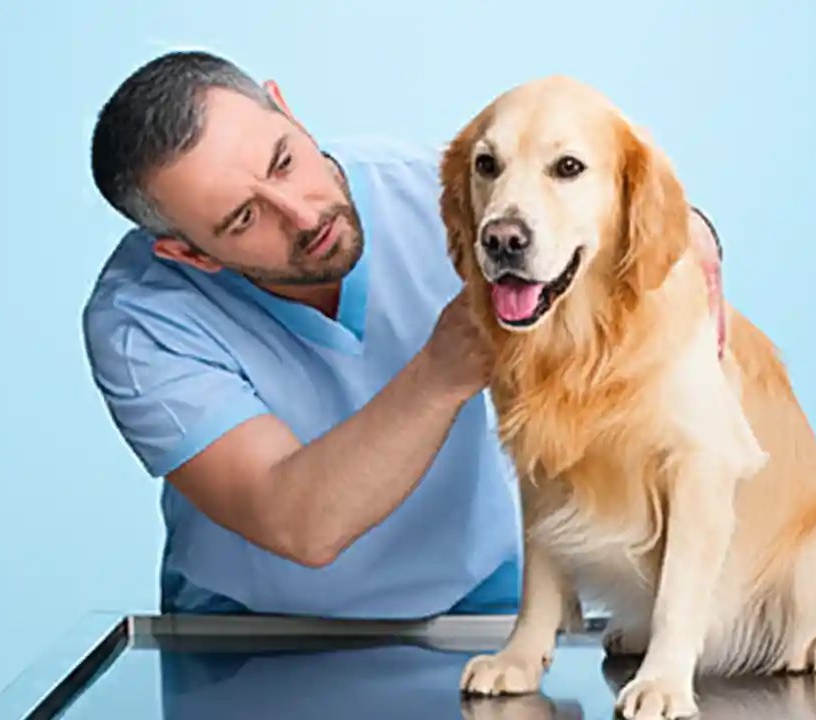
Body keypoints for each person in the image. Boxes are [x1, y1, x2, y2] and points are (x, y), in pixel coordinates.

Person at [82, 50, 523, 618]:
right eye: (243, 218)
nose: (301, 216)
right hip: (256, 646)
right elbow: (298, 525)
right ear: (188, 253)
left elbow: (653, 242)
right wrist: (442, 372)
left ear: (288, 111)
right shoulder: (139, 320)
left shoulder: (443, 193)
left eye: (284, 161)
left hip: (484, 609)